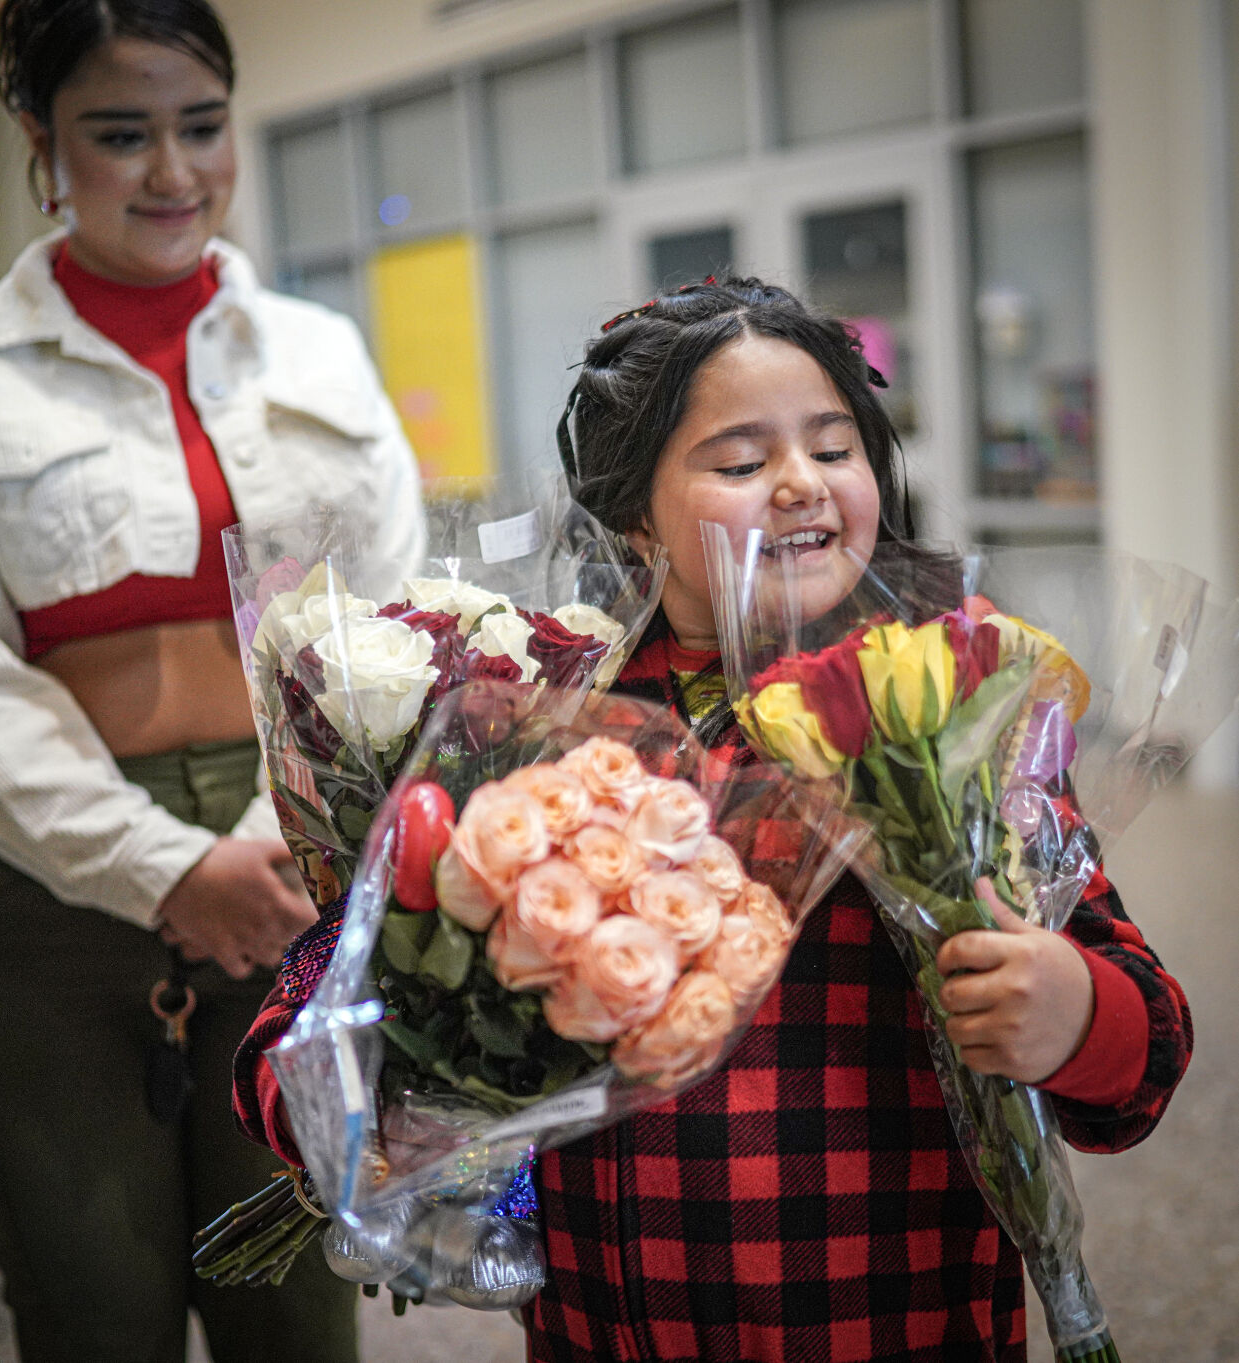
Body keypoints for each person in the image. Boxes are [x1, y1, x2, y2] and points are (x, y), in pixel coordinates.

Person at [232, 278, 1192, 1362]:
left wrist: (1075, 1016)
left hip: (900, 1317)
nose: (799, 484)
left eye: (835, 448)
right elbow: (322, 994)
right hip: (614, 1327)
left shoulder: (948, 705)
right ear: (632, 513)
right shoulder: (530, 714)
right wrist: (355, 1107)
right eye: (740, 464)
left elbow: (1148, 1043)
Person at [0, 2, 422, 1360]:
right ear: (44, 144)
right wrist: (159, 865)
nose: (172, 171)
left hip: (292, 853)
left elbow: (393, 621)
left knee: (299, 1307)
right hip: (40, 876)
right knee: (89, 1314)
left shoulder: (320, 350)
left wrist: (271, 840)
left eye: (201, 125)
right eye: (120, 133)